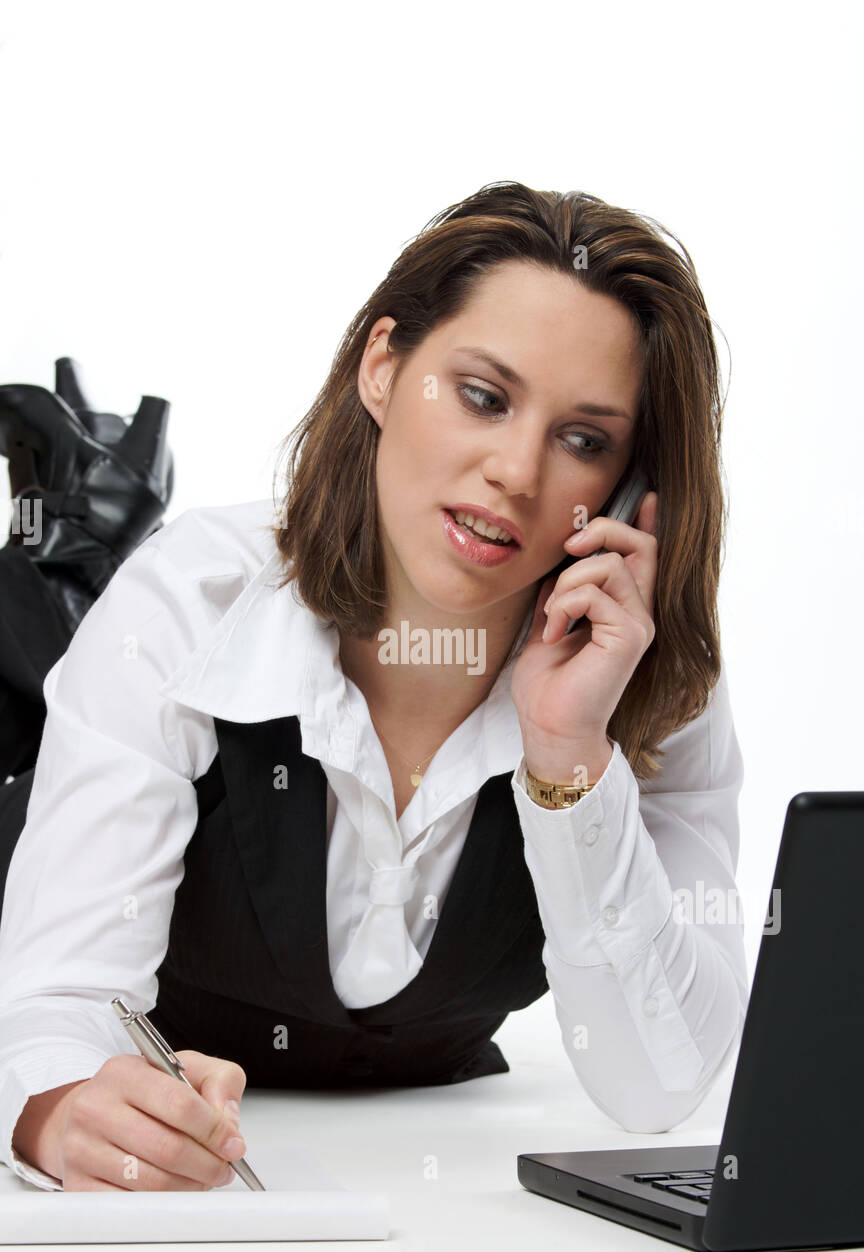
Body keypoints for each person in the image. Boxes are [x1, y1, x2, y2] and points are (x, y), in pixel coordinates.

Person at [0, 180, 747, 1194]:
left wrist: (569, 759)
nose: (517, 472)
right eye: (483, 396)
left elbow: (660, 1084)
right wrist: (55, 1112)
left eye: (584, 439)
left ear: (627, 486)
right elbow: (55, 1006)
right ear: (384, 369)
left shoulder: (640, 685)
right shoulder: (187, 608)